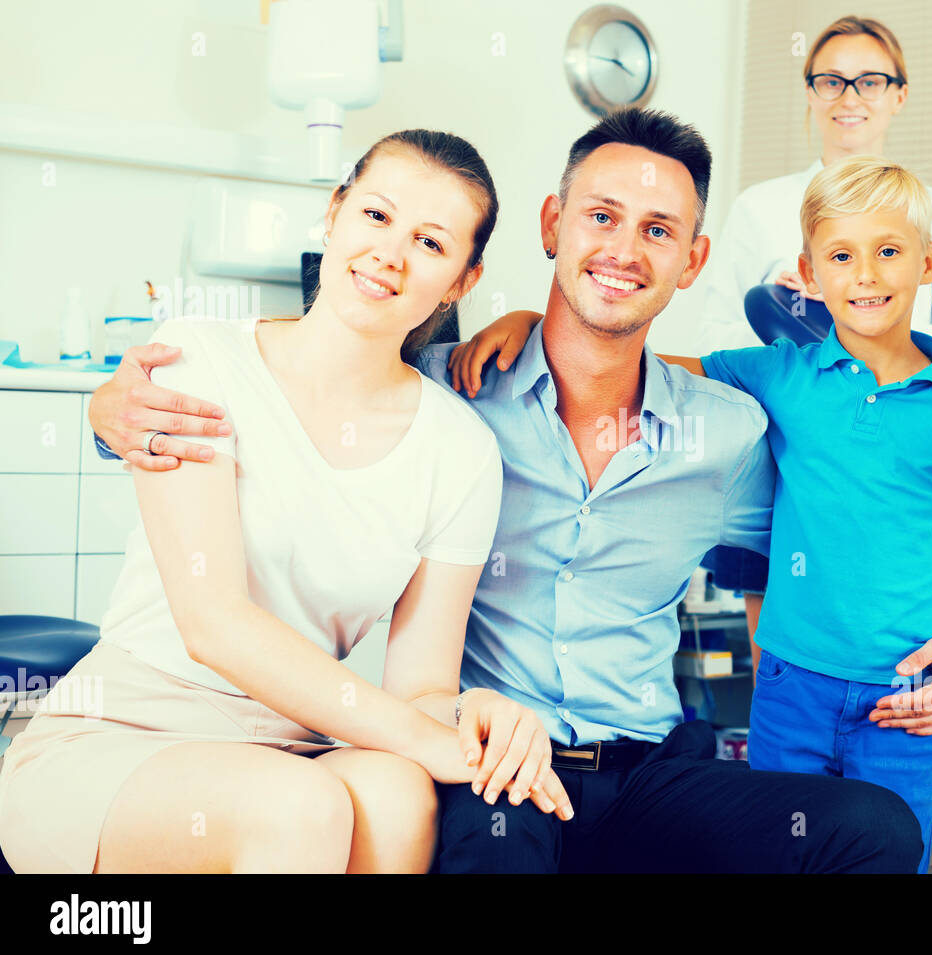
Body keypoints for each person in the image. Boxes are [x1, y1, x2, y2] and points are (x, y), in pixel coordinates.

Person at [83, 108, 932, 873]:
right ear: (553, 223)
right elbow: (306, 373)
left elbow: (847, 525)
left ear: (694, 259)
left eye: (658, 231)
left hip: (651, 772)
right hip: (494, 769)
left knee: (872, 830)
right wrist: (114, 407)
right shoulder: (443, 396)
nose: (624, 250)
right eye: (601, 216)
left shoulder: (727, 432)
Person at [0, 129, 573, 875]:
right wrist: (425, 736)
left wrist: (469, 716)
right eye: (375, 216)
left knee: (400, 794)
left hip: (292, 739)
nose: (390, 255)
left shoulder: (461, 450)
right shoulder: (199, 358)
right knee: (301, 806)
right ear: (333, 215)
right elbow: (213, 625)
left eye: (430, 243)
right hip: (126, 732)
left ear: (463, 280)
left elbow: (422, 688)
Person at [450, 154, 932, 873]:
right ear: (809, 276)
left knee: (882, 839)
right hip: (791, 688)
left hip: (904, 685)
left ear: (928, 261)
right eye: (842, 257)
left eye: (888, 254)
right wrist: (537, 319)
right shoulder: (775, 376)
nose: (867, 275)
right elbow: (638, 355)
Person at [694, 15, 932, 377]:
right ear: (810, 92)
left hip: (903, 422)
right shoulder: (757, 208)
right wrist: (789, 316)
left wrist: (848, 314)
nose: (849, 98)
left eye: (870, 82)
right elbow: (714, 344)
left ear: (899, 95)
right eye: (831, 81)